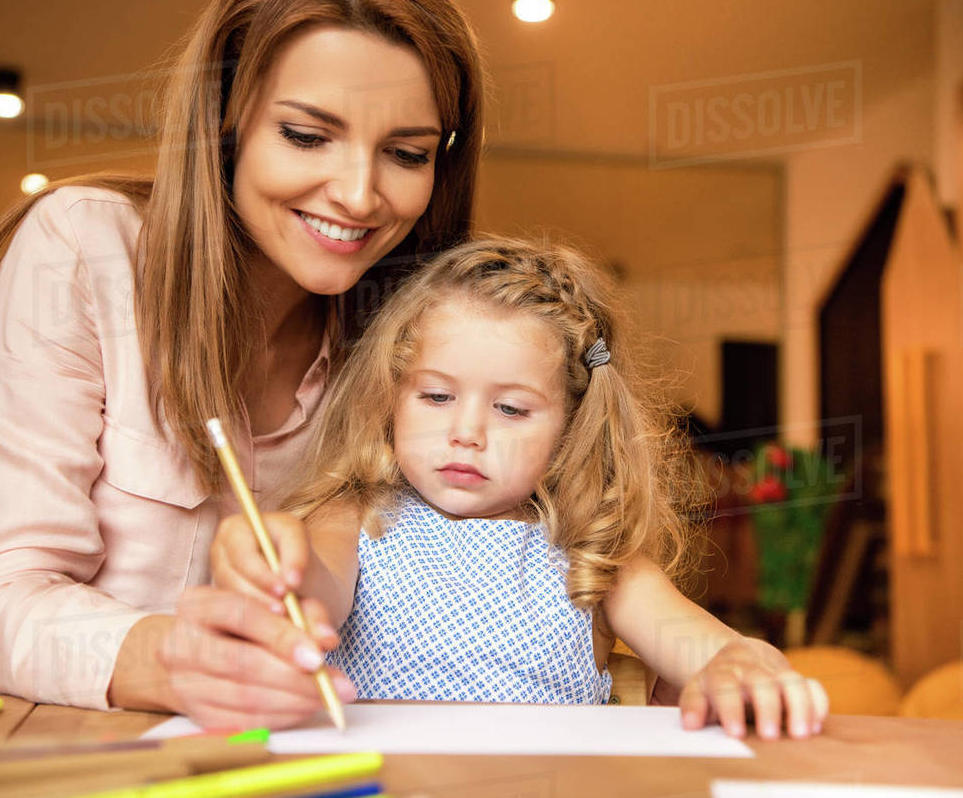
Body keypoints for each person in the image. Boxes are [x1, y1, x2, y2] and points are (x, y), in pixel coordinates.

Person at [0, 0, 485, 732]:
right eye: (307, 136)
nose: (358, 193)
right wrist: (179, 659)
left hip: (191, 759)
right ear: (224, 122)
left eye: (407, 154)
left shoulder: (406, 348)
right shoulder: (83, 248)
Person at [216, 237, 832, 740]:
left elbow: (704, 646)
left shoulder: (591, 554)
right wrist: (279, 565)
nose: (465, 433)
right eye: (435, 396)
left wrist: (742, 662)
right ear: (390, 398)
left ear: (571, 427)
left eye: (511, 409)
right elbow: (313, 598)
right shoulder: (353, 517)